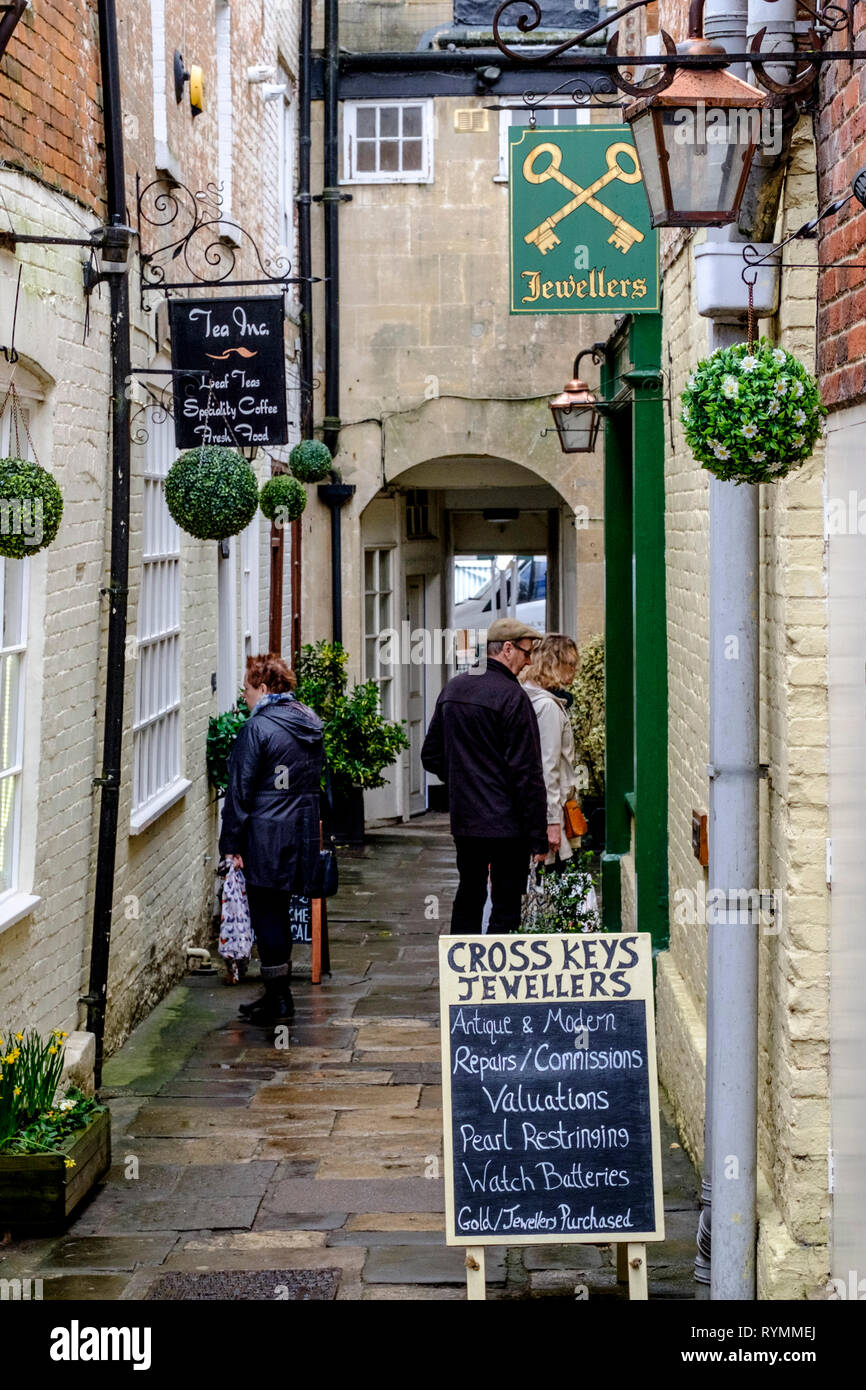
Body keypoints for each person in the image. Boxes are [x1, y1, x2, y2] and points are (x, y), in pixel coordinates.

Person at [421, 617, 549, 934]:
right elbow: (527, 774)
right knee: (505, 905)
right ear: (507, 649)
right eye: (526, 651)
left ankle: (461, 974)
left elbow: (430, 755)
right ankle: (494, 978)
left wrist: (463, 781)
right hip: (508, 826)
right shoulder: (512, 698)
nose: (529, 659)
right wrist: (538, 837)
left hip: (466, 821)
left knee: (468, 894)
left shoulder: (454, 688)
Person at [219, 653, 324, 1025]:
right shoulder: (310, 721)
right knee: (279, 910)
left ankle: (280, 1001)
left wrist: (231, 844)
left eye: (247, 689)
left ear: (263, 688)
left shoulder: (257, 729)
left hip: (265, 834)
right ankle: (274, 994)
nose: (244, 697)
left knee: (268, 915)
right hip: (302, 831)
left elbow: (240, 792)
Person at [520, 634, 580, 872]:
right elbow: (548, 767)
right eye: (570, 663)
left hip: (532, 810)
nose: (575, 670)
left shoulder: (527, 696)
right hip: (550, 814)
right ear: (553, 664)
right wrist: (552, 822)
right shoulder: (547, 707)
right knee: (556, 891)